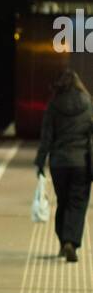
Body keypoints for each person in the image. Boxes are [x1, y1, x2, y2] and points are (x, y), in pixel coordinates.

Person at [35, 68, 93, 262]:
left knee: (63, 201)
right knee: (77, 203)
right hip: (81, 162)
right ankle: (71, 241)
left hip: (59, 163)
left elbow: (46, 136)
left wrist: (40, 161)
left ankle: (62, 242)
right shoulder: (87, 103)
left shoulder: (54, 105)